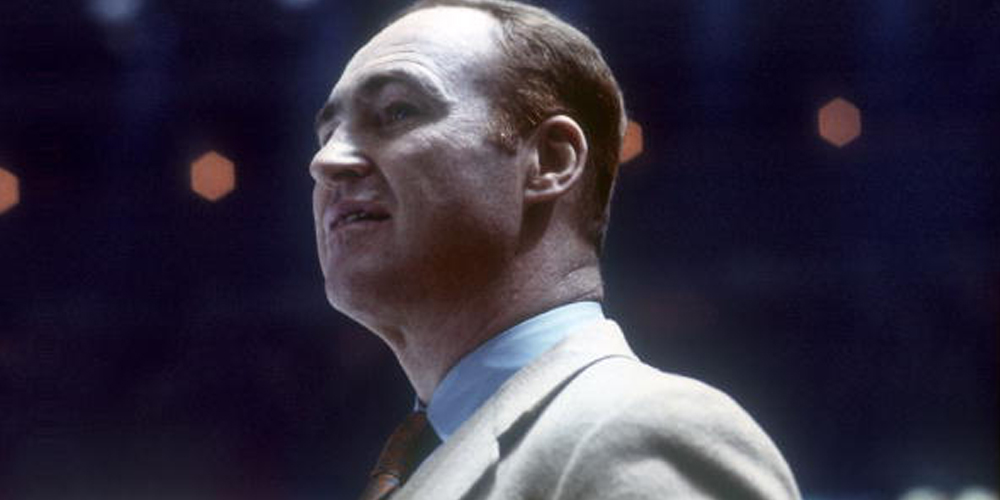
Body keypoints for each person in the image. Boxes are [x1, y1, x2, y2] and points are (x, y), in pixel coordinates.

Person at [309, 0, 801, 498]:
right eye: (327, 134)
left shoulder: (641, 431)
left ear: (549, 160)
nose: (326, 161)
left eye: (397, 111)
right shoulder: (431, 458)